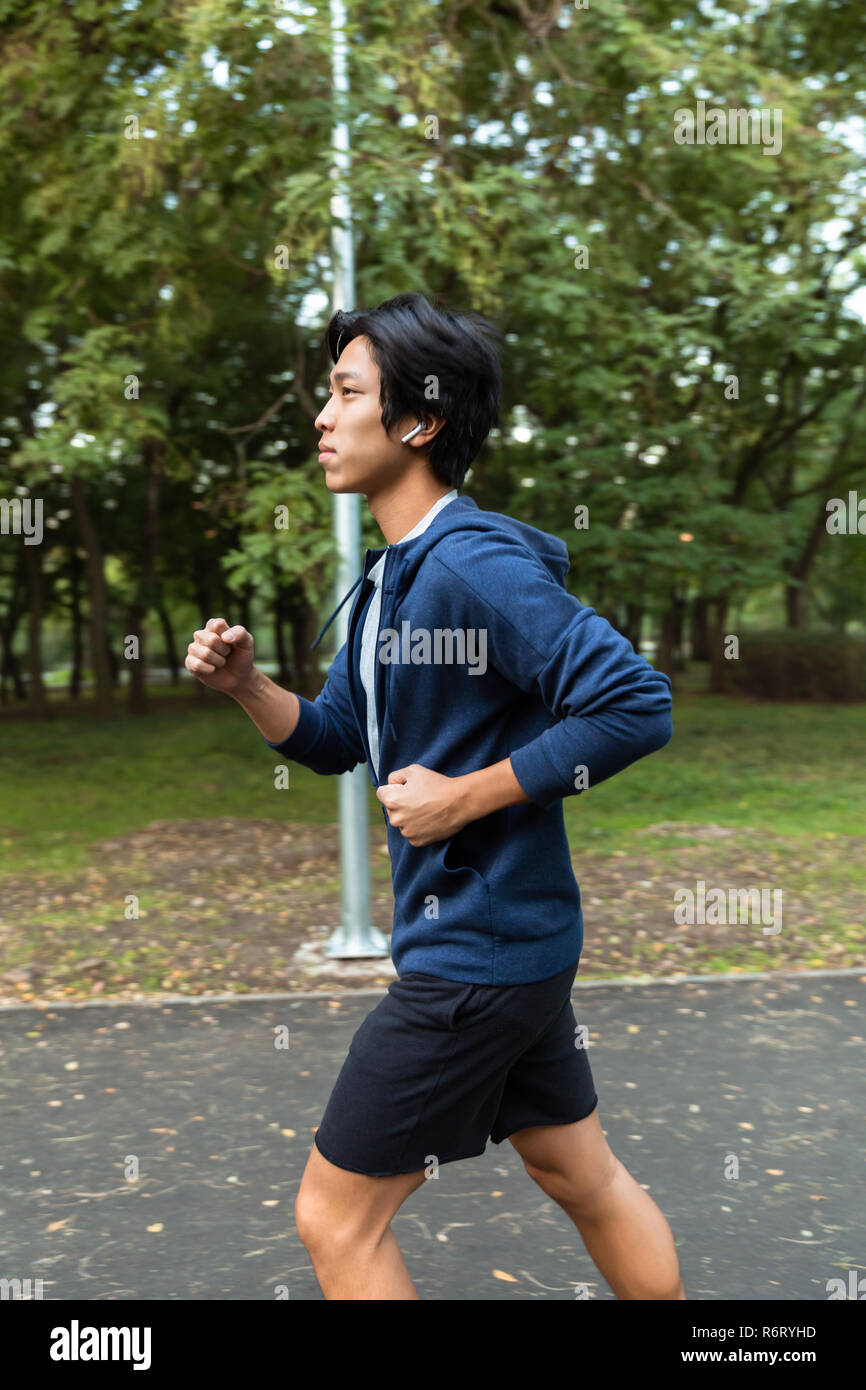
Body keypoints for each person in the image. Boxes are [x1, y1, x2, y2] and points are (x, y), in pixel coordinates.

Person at [185, 291, 685, 1301]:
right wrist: (247, 686)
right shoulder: (388, 580)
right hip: (516, 942)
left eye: (345, 394)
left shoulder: (470, 566)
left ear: (417, 422)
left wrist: (465, 799)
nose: (321, 419)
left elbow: (634, 704)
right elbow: (338, 741)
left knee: (334, 1214)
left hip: (472, 955)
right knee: (575, 1172)